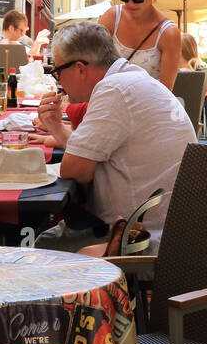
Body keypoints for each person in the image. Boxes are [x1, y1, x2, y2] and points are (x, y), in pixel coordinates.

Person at [33, 21, 197, 252]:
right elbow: (87, 154)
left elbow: (74, 170)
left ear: (80, 68)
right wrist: (57, 128)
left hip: (139, 239)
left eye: (57, 71)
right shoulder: (130, 80)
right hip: (171, 228)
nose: (58, 80)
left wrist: (59, 134)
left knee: (41, 242)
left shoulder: (114, 90)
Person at [96, 0, 182, 92]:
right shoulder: (111, 18)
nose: (130, 4)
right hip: (109, 99)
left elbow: (166, 91)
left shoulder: (168, 33)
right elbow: (92, 64)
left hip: (149, 103)